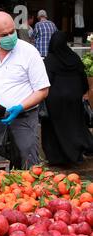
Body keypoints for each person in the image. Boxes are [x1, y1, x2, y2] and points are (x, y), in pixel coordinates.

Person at [0, 11, 50, 169]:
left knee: (28, 157)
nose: (10, 36)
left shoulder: (29, 52)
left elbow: (42, 90)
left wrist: (20, 107)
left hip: (23, 117)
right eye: (4, 34)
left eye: (12, 32)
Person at [41, 31, 93, 165]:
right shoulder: (74, 57)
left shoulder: (50, 60)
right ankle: (75, 152)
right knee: (73, 124)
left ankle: (56, 157)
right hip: (74, 97)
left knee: (54, 127)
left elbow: (46, 81)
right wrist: (82, 92)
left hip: (55, 99)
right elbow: (83, 78)